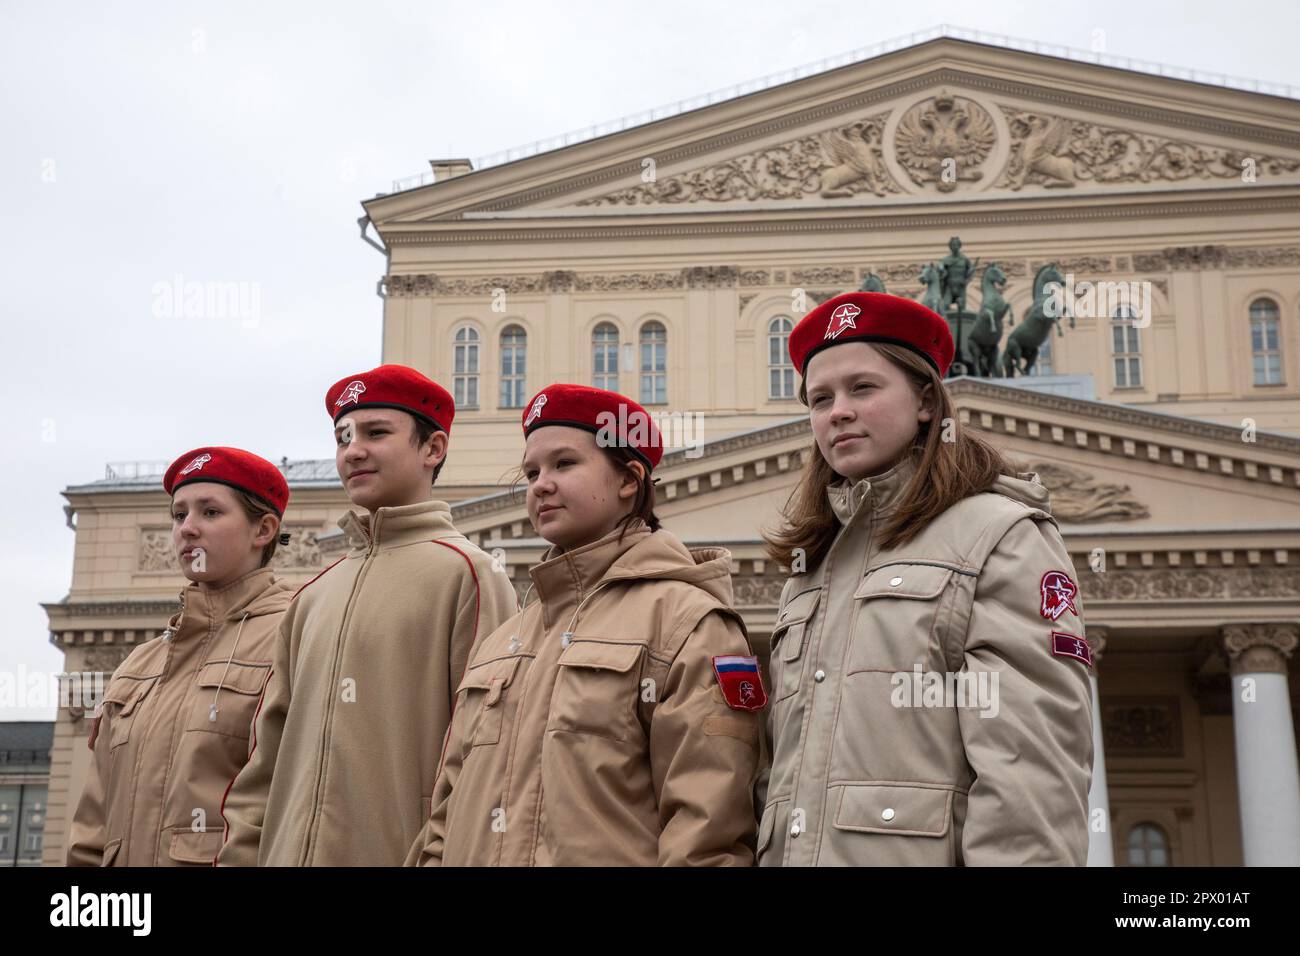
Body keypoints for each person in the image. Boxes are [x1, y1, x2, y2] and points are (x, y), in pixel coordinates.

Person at [757, 291, 1093, 866]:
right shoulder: (811, 567)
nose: (837, 411)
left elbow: (1030, 769)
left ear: (924, 400)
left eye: (862, 388)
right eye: (819, 398)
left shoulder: (1000, 534)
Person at [406, 384, 763, 866]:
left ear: (629, 480)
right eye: (531, 472)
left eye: (564, 464)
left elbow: (708, 830)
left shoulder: (689, 624)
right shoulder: (503, 642)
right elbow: (445, 817)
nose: (540, 485)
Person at [217, 364, 517, 866]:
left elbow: (487, 751)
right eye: (343, 437)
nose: (353, 450)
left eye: (376, 433)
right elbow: (264, 763)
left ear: (433, 449)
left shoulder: (470, 575)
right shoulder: (312, 595)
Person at [67, 447, 294, 865]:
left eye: (209, 513)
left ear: (263, 529)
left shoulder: (297, 636)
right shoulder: (139, 664)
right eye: (178, 515)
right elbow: (93, 824)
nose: (188, 529)